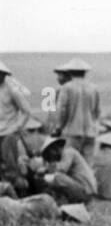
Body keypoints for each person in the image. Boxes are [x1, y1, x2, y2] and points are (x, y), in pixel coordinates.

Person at [52, 59, 100, 157]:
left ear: (69, 72)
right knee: (87, 165)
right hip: (90, 132)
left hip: (72, 132)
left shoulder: (66, 88)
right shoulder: (93, 88)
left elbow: (62, 110)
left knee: (71, 162)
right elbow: (97, 111)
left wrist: (58, 128)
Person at [0, 59, 34, 192]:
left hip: (9, 134)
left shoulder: (12, 90)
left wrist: (17, 128)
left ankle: (19, 194)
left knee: (11, 168)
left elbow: (27, 111)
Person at [33, 136, 96, 203]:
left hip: (86, 191)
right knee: (49, 179)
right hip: (80, 189)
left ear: (54, 148)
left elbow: (62, 169)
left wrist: (44, 170)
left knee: (57, 177)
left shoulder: (69, 152)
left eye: (49, 153)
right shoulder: (61, 157)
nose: (51, 157)